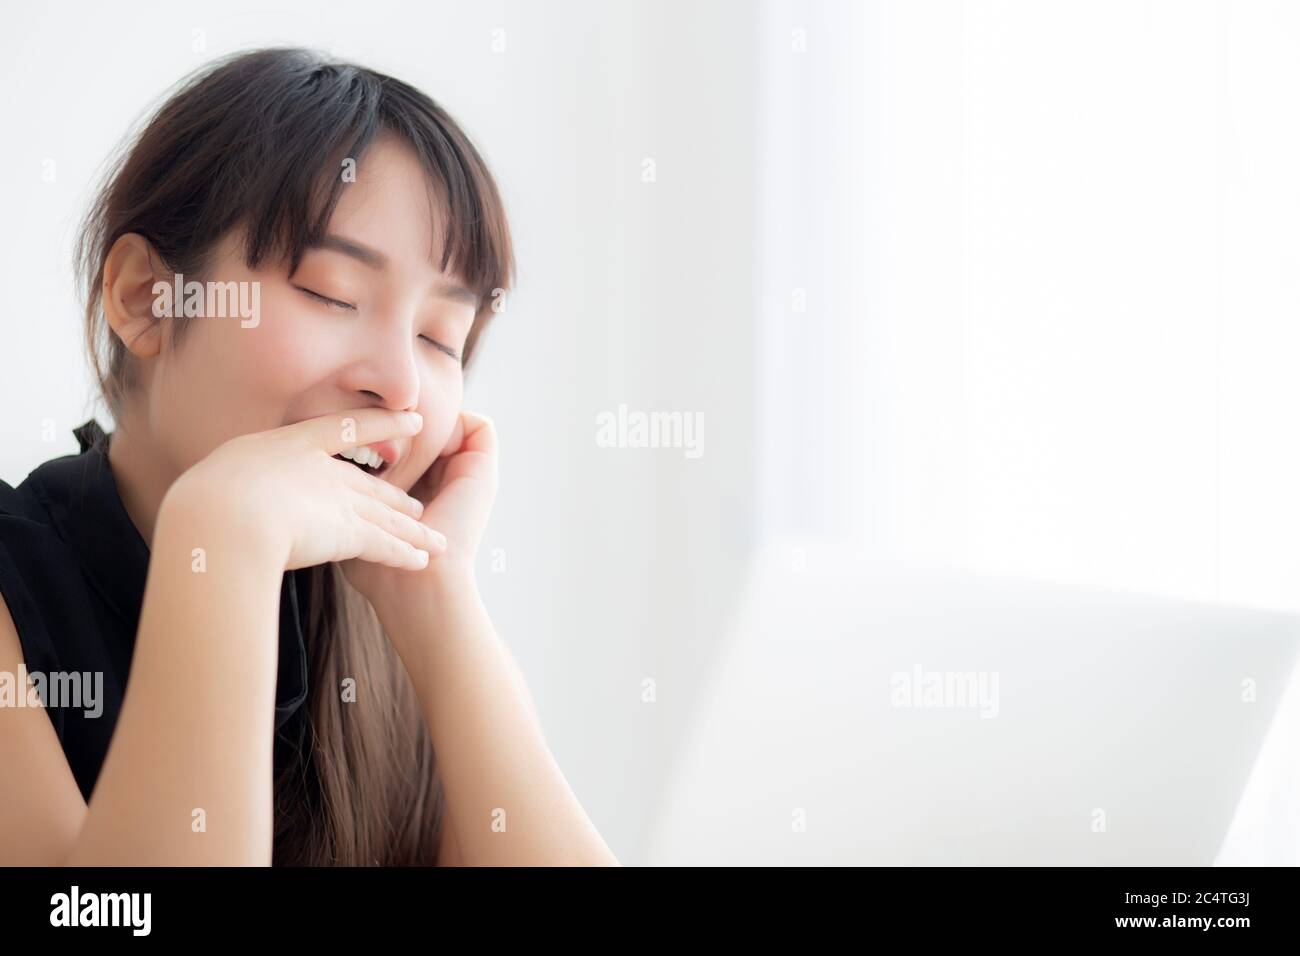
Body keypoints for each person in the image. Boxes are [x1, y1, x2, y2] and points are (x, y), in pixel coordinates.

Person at [0, 47, 617, 866]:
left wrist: (434, 601)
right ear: (149, 299)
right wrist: (217, 547)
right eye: (333, 294)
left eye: (441, 338)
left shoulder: (386, 633)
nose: (398, 382)